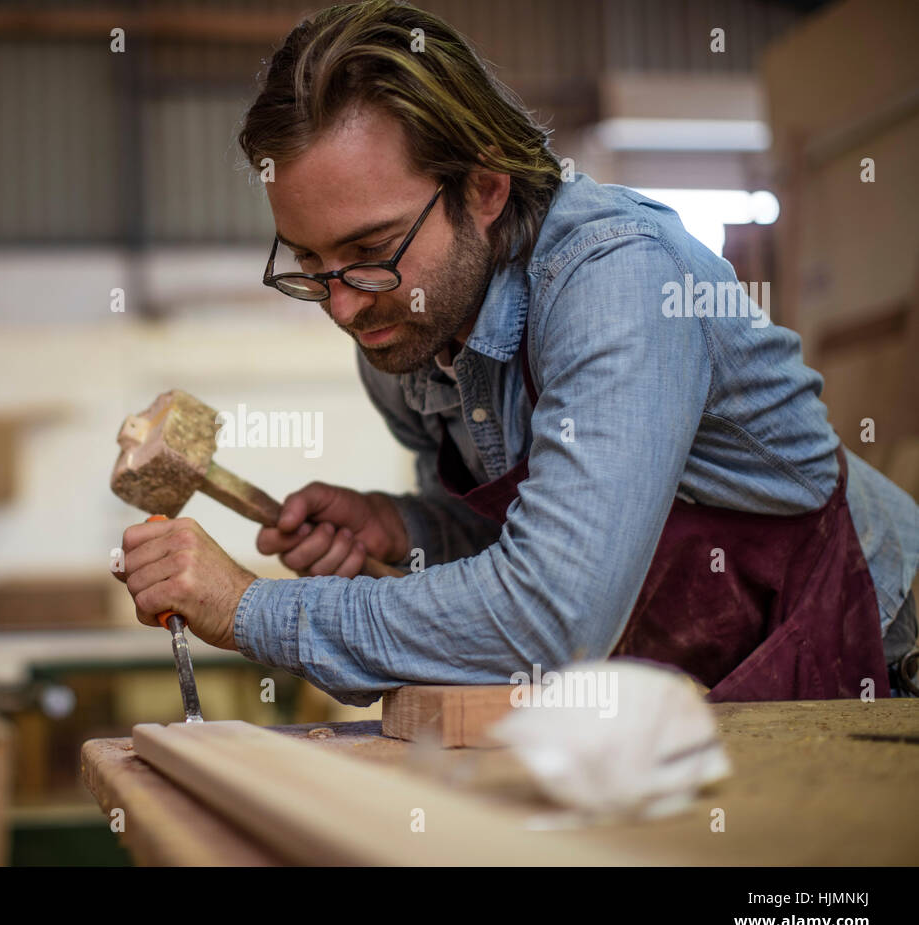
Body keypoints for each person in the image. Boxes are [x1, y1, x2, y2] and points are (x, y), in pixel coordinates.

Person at [117, 0, 919, 703]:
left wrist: (248, 607)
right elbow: (519, 547)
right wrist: (404, 529)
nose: (344, 304)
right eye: (308, 262)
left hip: (883, 656)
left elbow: (552, 619)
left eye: (370, 249)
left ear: (485, 188)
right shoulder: (400, 332)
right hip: (719, 692)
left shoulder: (622, 279)